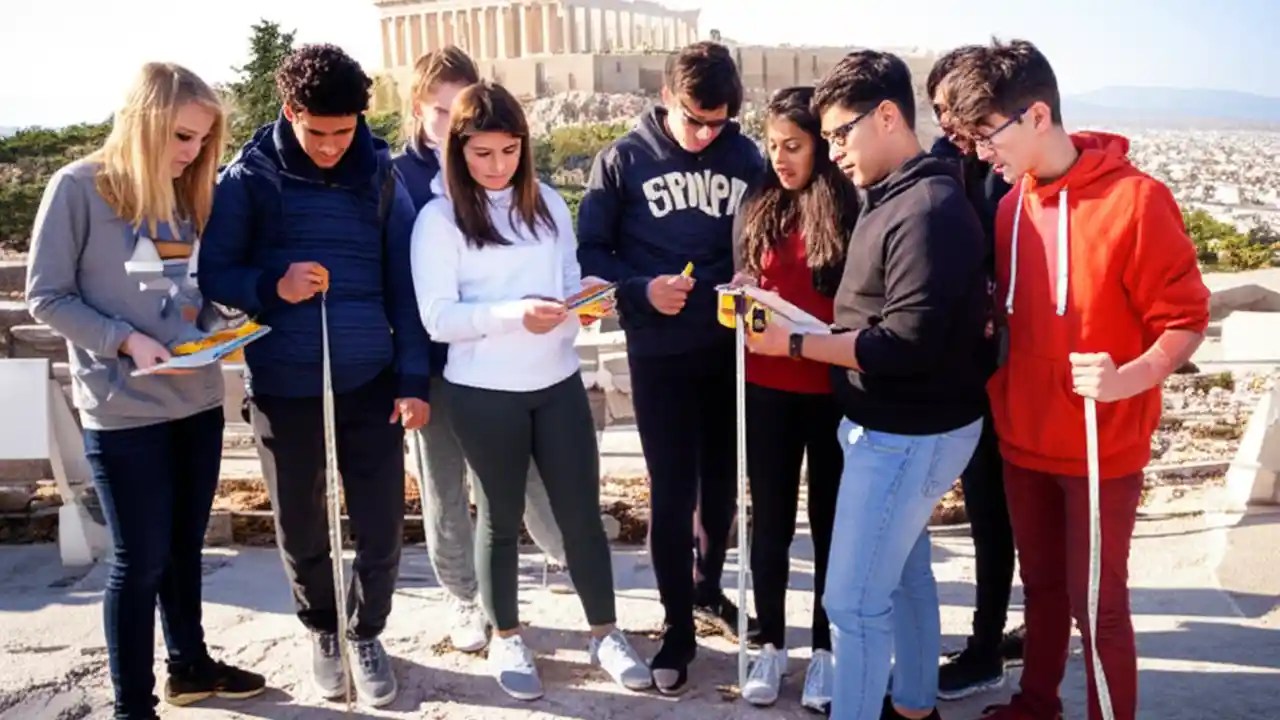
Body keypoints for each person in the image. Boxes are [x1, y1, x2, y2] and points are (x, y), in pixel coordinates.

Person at [938, 39, 1210, 720]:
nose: (976, 151)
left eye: (984, 134)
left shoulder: (1139, 202)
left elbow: (1184, 318)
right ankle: (1037, 703)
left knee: (1101, 607)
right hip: (1023, 439)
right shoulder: (1008, 207)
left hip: (1101, 447)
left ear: (1035, 116)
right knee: (1044, 590)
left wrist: (1131, 377)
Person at [750, 50, 994, 720]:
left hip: (906, 433)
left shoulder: (927, 209)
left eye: (839, 135)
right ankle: (915, 706)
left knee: (852, 605)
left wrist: (794, 342)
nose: (833, 152)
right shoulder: (896, 194)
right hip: (894, 428)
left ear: (887, 115)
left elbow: (905, 343)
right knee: (905, 578)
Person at [25, 62, 265, 720]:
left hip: (196, 402)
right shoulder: (74, 188)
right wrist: (124, 341)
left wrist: (223, 326)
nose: (191, 154)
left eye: (201, 141)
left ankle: (189, 667)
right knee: (140, 560)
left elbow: (191, 294)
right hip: (123, 412)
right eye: (181, 137)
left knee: (186, 546)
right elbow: (46, 296)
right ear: (144, 120)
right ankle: (135, 707)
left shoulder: (191, 192)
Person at [197, 43, 432, 708]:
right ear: (288, 111)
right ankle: (323, 630)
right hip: (283, 383)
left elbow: (406, 288)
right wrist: (274, 284)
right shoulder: (249, 179)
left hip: (371, 381)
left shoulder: (384, 179)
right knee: (301, 522)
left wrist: (414, 380)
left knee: (382, 522)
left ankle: (368, 632)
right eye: (316, 131)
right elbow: (216, 275)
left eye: (344, 131)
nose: (331, 146)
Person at [410, 80, 650, 701]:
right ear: (458, 151)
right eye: (482, 153)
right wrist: (516, 313)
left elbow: (566, 279)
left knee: (581, 519)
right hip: (483, 392)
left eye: (510, 151)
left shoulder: (543, 199)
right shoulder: (437, 219)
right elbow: (438, 318)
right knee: (497, 520)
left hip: (558, 380)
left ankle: (606, 631)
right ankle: (507, 635)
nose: (497, 166)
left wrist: (585, 301)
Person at [576, 40, 764, 695]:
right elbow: (591, 256)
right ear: (665, 98)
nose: (708, 133)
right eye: (696, 119)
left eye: (719, 121)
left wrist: (754, 274)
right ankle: (676, 624)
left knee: (721, 487)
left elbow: (770, 235)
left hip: (727, 348)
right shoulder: (622, 161)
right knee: (671, 488)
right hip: (657, 352)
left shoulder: (745, 156)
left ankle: (708, 590)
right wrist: (641, 290)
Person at [393, 45, 570, 655]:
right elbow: (403, 287)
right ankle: (462, 597)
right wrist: (410, 378)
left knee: (521, 479)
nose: (455, 122)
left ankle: (560, 554)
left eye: (464, 108)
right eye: (442, 112)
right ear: (419, 110)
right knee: (443, 488)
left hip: (501, 359)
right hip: (433, 361)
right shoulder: (398, 180)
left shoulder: (503, 175)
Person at [729, 85, 856, 713]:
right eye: (773, 145)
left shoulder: (847, 205)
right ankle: (770, 642)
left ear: (820, 148)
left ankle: (827, 650)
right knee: (770, 525)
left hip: (830, 391)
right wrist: (741, 288)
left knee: (831, 526)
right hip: (766, 388)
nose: (781, 158)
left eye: (794, 146)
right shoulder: (758, 199)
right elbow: (745, 276)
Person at [924, 46, 1024, 700]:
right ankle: (991, 638)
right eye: (939, 110)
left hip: (1010, 367)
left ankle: (990, 644)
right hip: (956, 369)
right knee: (983, 508)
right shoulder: (938, 165)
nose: (949, 122)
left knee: (1000, 514)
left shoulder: (1006, 170)